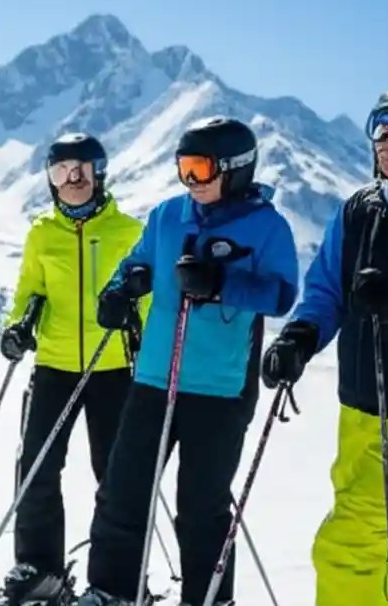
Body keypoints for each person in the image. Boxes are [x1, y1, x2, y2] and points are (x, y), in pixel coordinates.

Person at [73, 116, 300, 606]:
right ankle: (110, 591)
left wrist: (221, 285)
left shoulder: (267, 227)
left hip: (219, 388)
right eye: (183, 168)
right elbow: (138, 262)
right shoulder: (168, 215)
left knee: (201, 506)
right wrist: (123, 288)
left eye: (200, 169)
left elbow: (281, 294)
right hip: (153, 378)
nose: (190, 182)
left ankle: (209, 598)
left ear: (235, 169)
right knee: (122, 491)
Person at [261, 83, 388, 606]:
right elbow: (325, 289)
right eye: (379, 126)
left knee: (346, 546)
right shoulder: (359, 210)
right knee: (383, 548)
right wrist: (301, 337)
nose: (386, 140)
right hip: (360, 411)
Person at [0, 133, 146, 605]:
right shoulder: (42, 233)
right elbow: (28, 292)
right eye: (61, 172)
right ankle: (40, 571)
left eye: (82, 170)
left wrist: (139, 327)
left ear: (100, 174)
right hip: (55, 364)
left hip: (114, 366)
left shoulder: (131, 232)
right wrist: (17, 326)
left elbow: (150, 298)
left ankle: (116, 582)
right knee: (36, 467)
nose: (72, 180)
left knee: (115, 476)